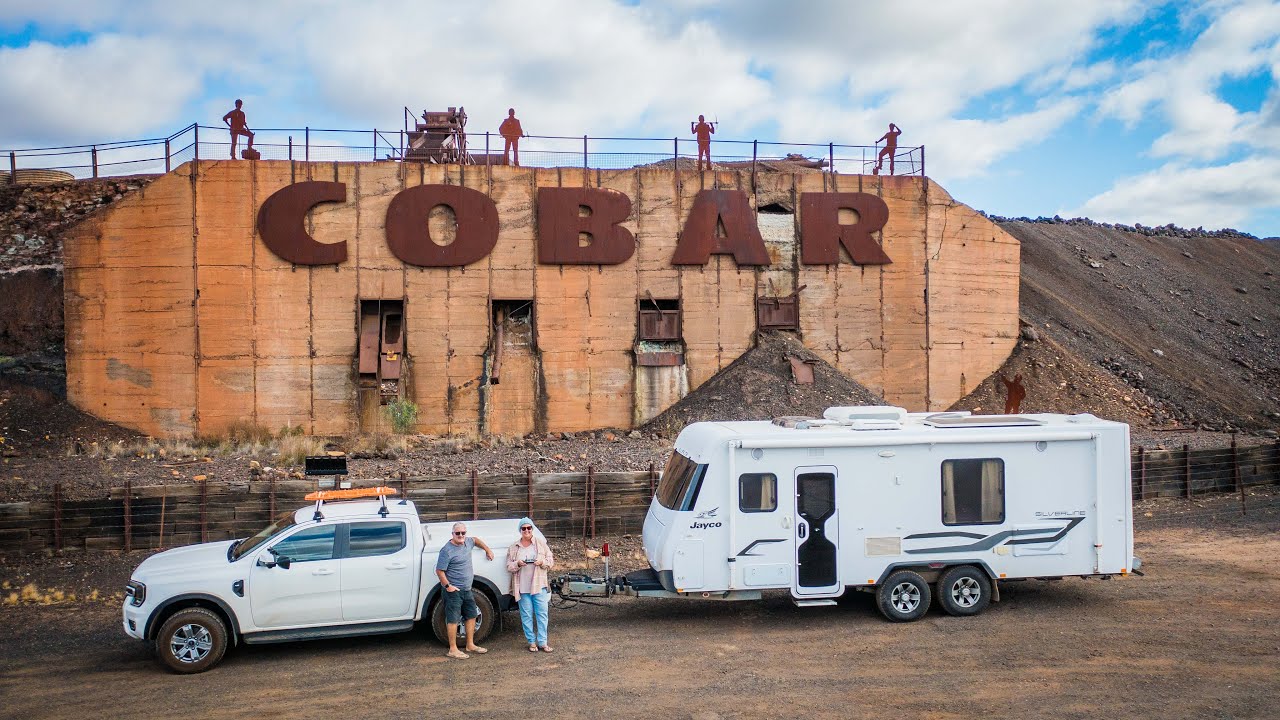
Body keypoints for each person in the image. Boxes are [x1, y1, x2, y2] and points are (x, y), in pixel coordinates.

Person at [435, 521, 496, 659]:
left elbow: (476, 540)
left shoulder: (468, 542)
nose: (461, 535)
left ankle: (470, 645)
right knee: (453, 619)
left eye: (463, 533)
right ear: (452, 534)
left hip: (467, 589)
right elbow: (439, 571)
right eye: (458, 533)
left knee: (472, 615)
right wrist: (448, 586)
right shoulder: (446, 550)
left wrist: (487, 549)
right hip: (453, 591)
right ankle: (453, 649)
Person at [505, 517, 555, 653]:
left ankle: (543, 642)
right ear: (520, 530)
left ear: (532, 529)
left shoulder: (540, 544)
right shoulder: (514, 547)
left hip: (539, 585)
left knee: (542, 614)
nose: (526, 530)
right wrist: (517, 564)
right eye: (523, 528)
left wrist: (542, 562)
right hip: (522, 587)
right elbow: (509, 566)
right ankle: (531, 642)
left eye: (529, 528)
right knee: (526, 615)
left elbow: (550, 561)